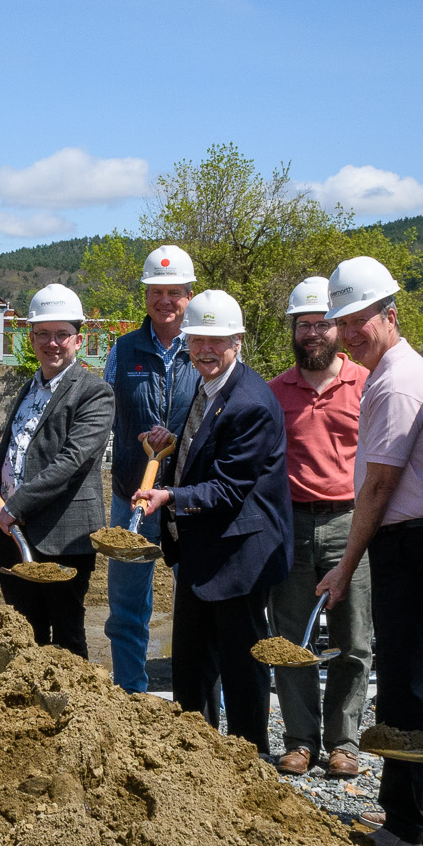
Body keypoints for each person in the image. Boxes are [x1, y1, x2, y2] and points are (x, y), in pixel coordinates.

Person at [314, 256, 423, 846]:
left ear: (389, 314)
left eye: (360, 318)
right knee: (417, 676)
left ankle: (403, 823)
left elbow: (378, 487)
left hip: (410, 541)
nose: (349, 332)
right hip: (411, 539)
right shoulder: (391, 371)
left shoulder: (397, 382)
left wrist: (346, 564)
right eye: (342, 321)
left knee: (403, 682)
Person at [132, 289, 290, 750]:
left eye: (216, 341)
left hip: (238, 558)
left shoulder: (251, 404)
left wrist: (168, 496)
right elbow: (205, 450)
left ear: (238, 342)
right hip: (205, 550)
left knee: (242, 669)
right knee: (192, 667)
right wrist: (171, 442)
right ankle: (198, 763)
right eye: (197, 338)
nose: (205, 349)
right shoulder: (206, 389)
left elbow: (227, 489)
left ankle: (248, 760)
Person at [0, 284, 115, 656]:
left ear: (79, 340)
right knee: (22, 630)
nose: (53, 343)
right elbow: (29, 449)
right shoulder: (31, 388)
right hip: (14, 533)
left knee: (65, 637)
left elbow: (72, 460)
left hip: (62, 534)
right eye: (43, 334)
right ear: (31, 339)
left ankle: (71, 711)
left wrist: (16, 505)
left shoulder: (94, 392)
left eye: (62, 334)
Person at [267, 275, 373, 778]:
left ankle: (344, 742)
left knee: (353, 639)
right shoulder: (275, 391)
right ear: (293, 329)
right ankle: (300, 739)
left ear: (339, 327)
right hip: (291, 523)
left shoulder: (367, 383)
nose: (314, 332)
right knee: (292, 639)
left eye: (323, 323)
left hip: (350, 522)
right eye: (304, 324)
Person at [102, 246, 199, 692]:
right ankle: (130, 696)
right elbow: (103, 414)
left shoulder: (204, 348)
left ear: (189, 295)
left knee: (199, 604)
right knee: (125, 608)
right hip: (130, 497)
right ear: (146, 295)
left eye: (174, 292)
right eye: (156, 292)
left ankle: (198, 703)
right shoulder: (123, 351)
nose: (165, 301)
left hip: (187, 500)